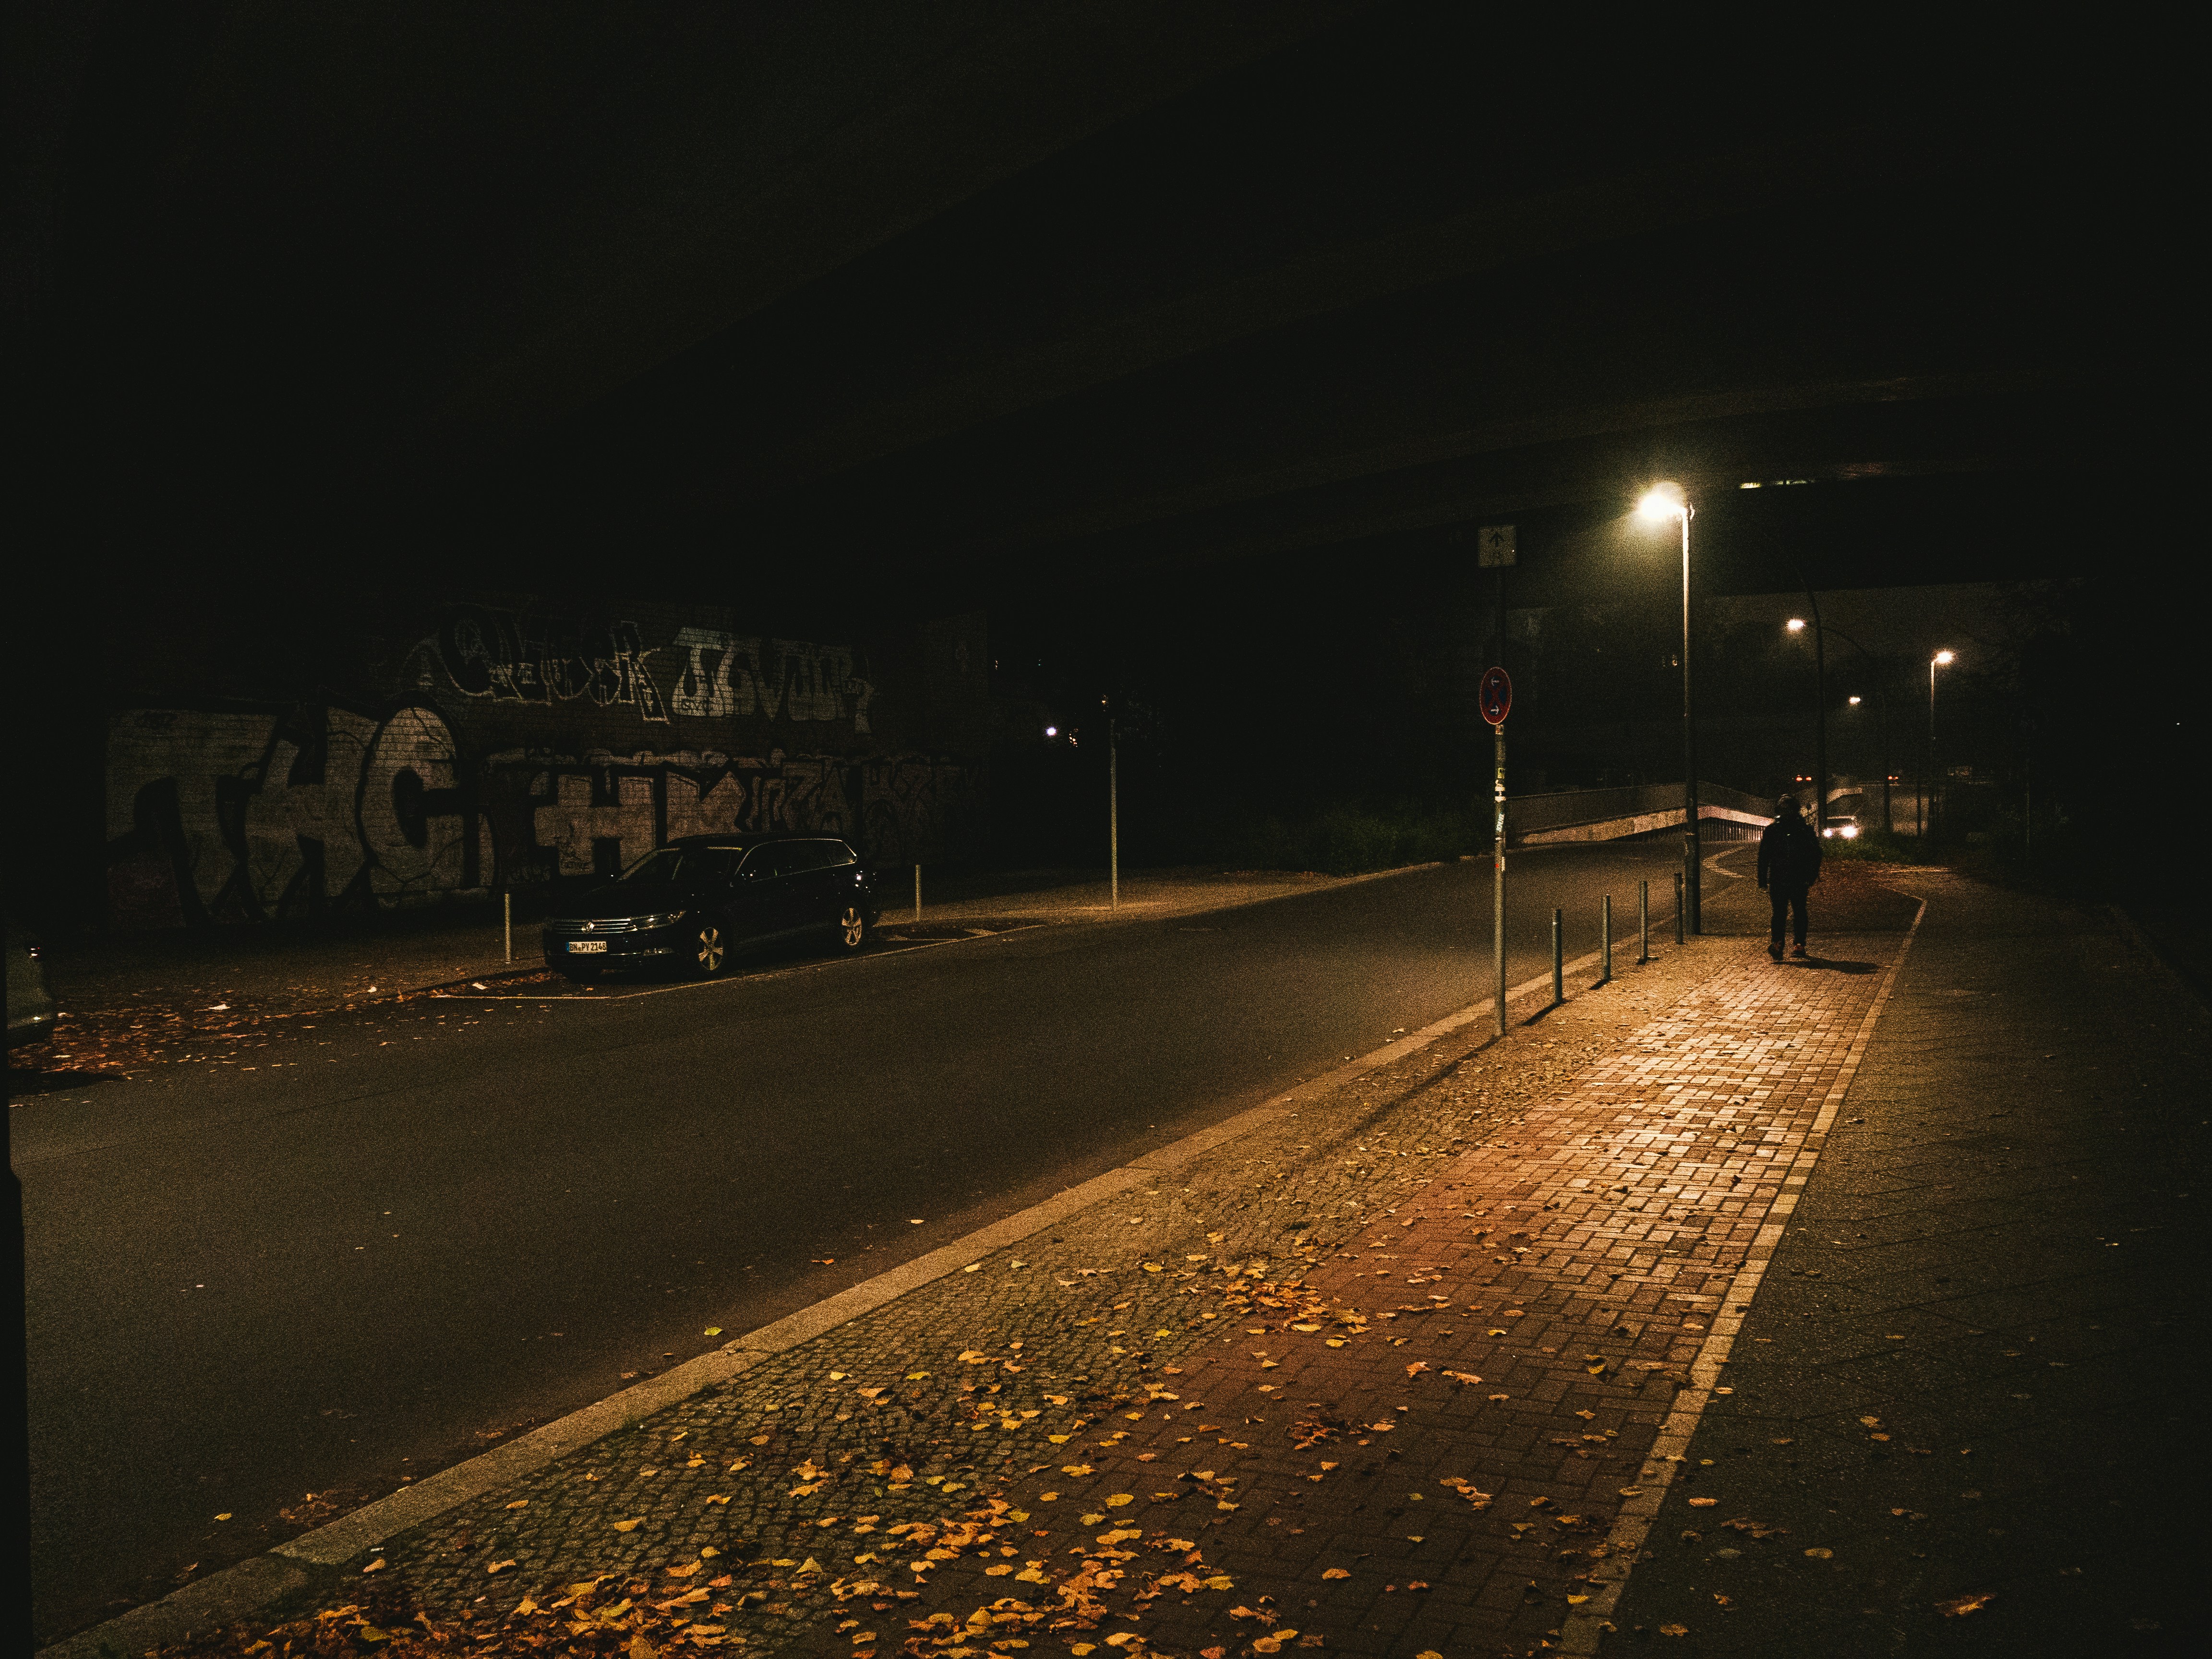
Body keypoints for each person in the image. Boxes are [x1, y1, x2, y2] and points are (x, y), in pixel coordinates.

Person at [1756, 794, 1822, 959]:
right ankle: (1798, 944)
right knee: (1798, 911)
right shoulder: (1804, 830)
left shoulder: (1773, 830)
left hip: (1781, 878)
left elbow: (1764, 856)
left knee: (1780, 912)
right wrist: (1812, 875)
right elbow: (1815, 854)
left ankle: (1779, 943)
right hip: (1798, 878)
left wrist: (1763, 879)